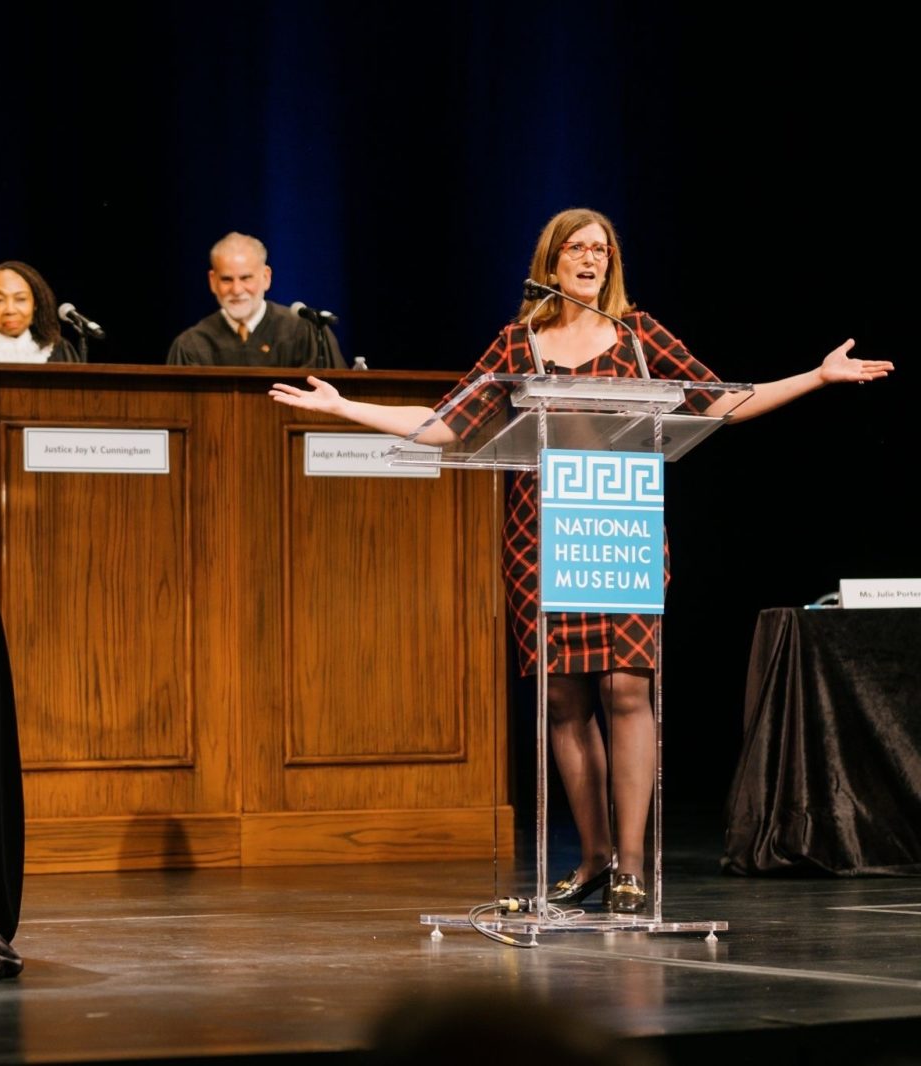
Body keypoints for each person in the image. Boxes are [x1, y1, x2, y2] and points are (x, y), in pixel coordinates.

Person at [270, 207, 893, 913]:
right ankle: (593, 859)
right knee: (565, 697)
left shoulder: (639, 336)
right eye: (577, 249)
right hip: (539, 529)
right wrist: (347, 406)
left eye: (601, 249)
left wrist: (815, 375)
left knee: (627, 689)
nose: (591, 259)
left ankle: (631, 866)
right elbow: (447, 423)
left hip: (621, 523)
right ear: (552, 263)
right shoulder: (519, 344)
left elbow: (722, 403)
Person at [167, 231, 344, 368]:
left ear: (266, 277)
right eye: (226, 279)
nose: (236, 290)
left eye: (246, 278)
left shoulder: (306, 332)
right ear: (212, 281)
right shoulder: (191, 345)